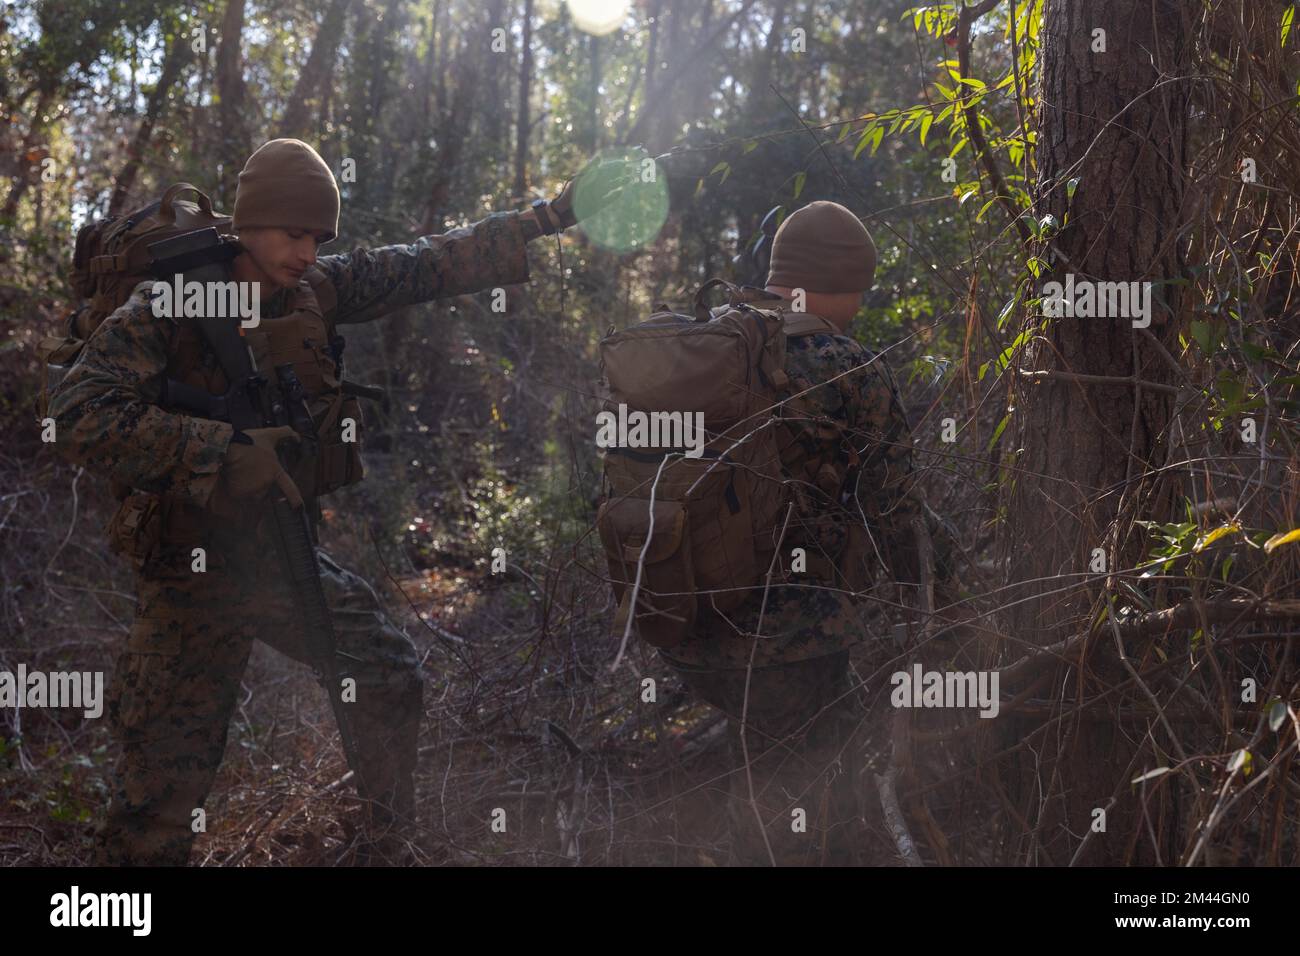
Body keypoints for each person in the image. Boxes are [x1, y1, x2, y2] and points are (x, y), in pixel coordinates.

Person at [48, 138, 598, 865]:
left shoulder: (314, 290)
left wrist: (548, 216)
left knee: (385, 671)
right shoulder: (172, 300)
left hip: (277, 555)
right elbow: (78, 411)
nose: (306, 251)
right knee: (162, 792)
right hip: (188, 569)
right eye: (292, 233)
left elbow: (422, 263)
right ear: (248, 223)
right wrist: (219, 453)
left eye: (318, 238)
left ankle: (381, 841)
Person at [660, 200, 949, 866]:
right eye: (858, 291)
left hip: (679, 619)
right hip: (788, 641)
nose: (859, 306)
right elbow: (898, 516)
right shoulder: (847, 366)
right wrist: (953, 598)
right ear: (831, 284)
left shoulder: (709, 343)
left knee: (773, 762)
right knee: (809, 810)